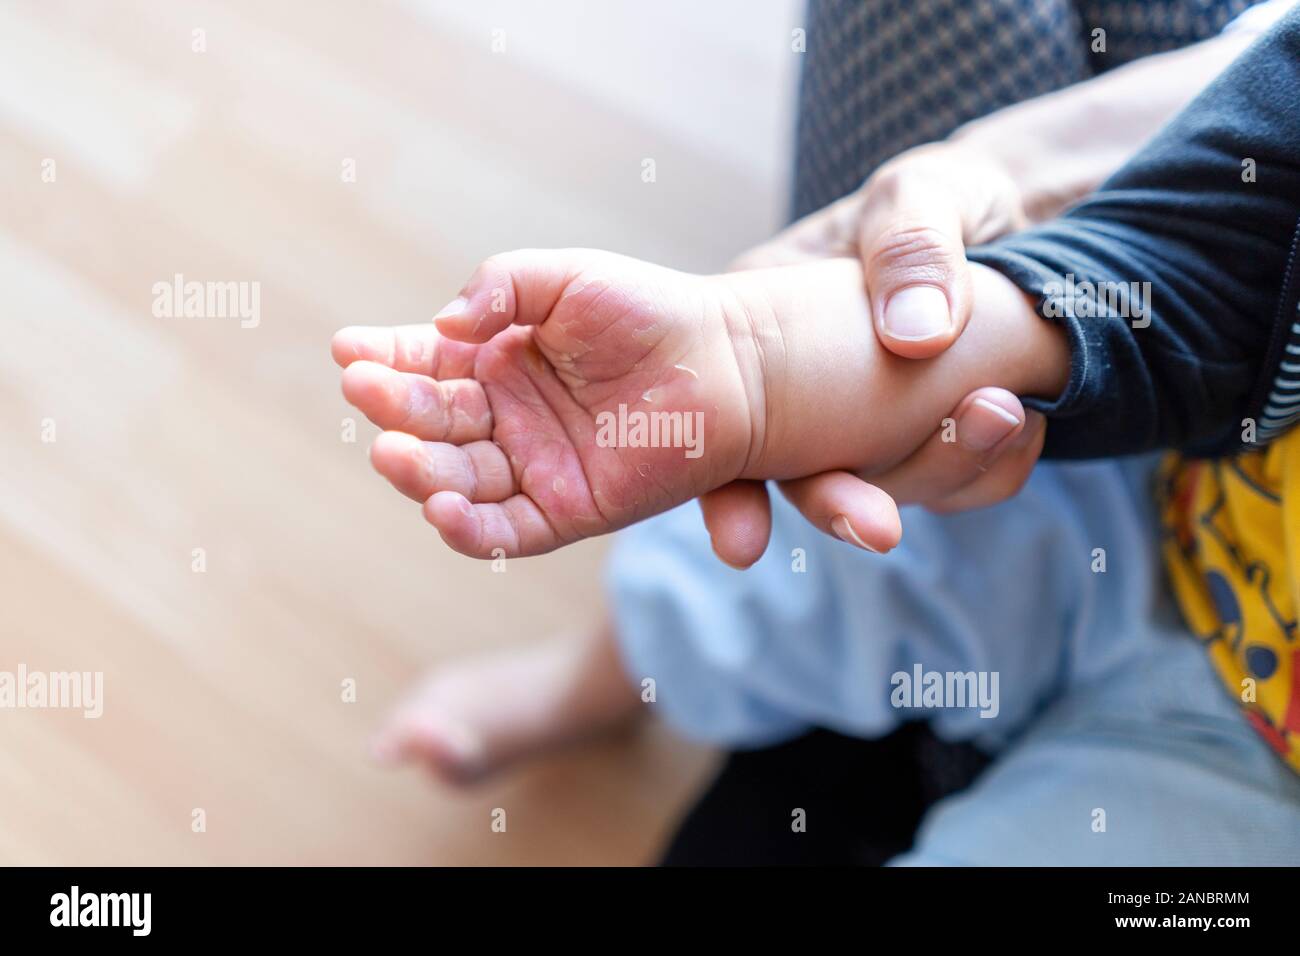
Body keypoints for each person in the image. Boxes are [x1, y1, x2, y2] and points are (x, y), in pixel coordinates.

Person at [338, 2, 1300, 863]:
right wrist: (762, 364)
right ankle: (598, 681)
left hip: (1251, 785)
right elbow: (1245, 220)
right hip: (1188, 489)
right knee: (830, 547)